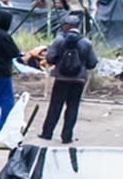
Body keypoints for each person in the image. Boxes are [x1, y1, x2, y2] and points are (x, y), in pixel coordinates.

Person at [37, 14, 97, 146]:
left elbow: (50, 58)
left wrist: (59, 63)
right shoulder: (86, 43)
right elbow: (92, 63)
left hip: (61, 78)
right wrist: (81, 66)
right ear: (78, 26)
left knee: (55, 106)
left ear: (66, 26)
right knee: (72, 107)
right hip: (78, 80)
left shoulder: (59, 40)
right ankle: (67, 136)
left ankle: (47, 133)